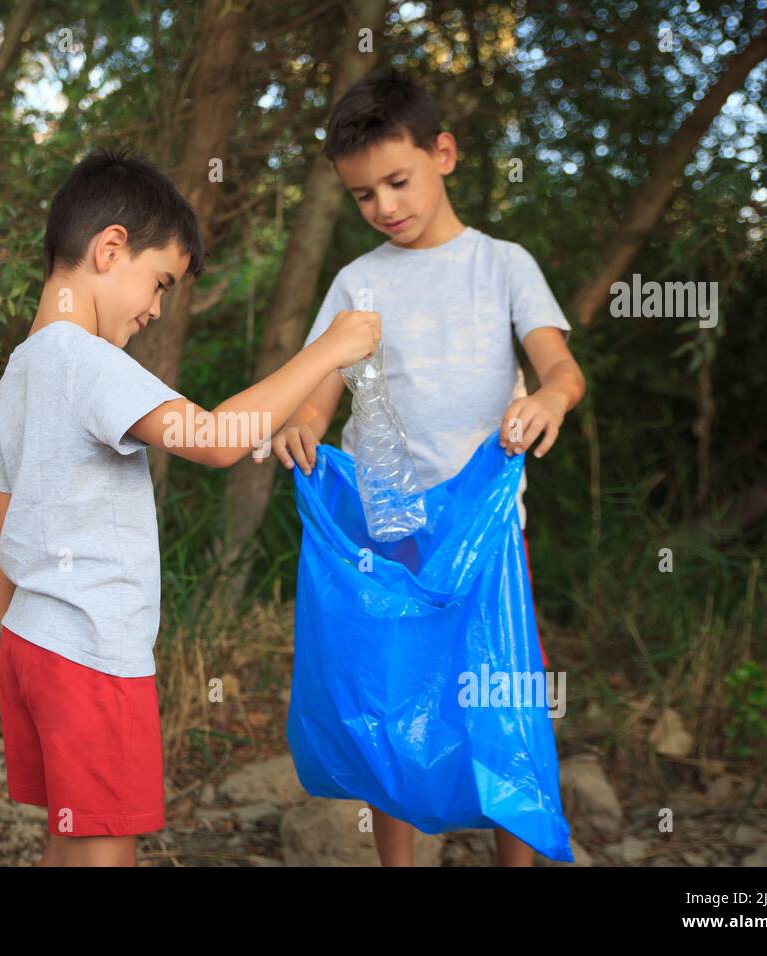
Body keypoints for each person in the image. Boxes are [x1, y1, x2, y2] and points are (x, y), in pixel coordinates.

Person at [0, 148, 380, 866]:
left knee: (70, 839)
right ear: (111, 248)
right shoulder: (89, 362)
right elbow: (218, 440)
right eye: (160, 281)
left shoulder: (20, 369)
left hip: (30, 644)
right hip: (91, 652)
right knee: (108, 850)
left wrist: (17, 634)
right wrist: (327, 352)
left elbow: (3, 529)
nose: (156, 308)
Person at [263, 68, 587, 866]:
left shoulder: (503, 266)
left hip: (484, 537)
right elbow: (320, 392)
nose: (385, 207)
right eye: (364, 195)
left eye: (398, 182)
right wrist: (302, 428)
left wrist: (547, 400)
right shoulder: (359, 282)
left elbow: (563, 371)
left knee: (500, 704)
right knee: (389, 699)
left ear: (444, 153)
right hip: (388, 527)